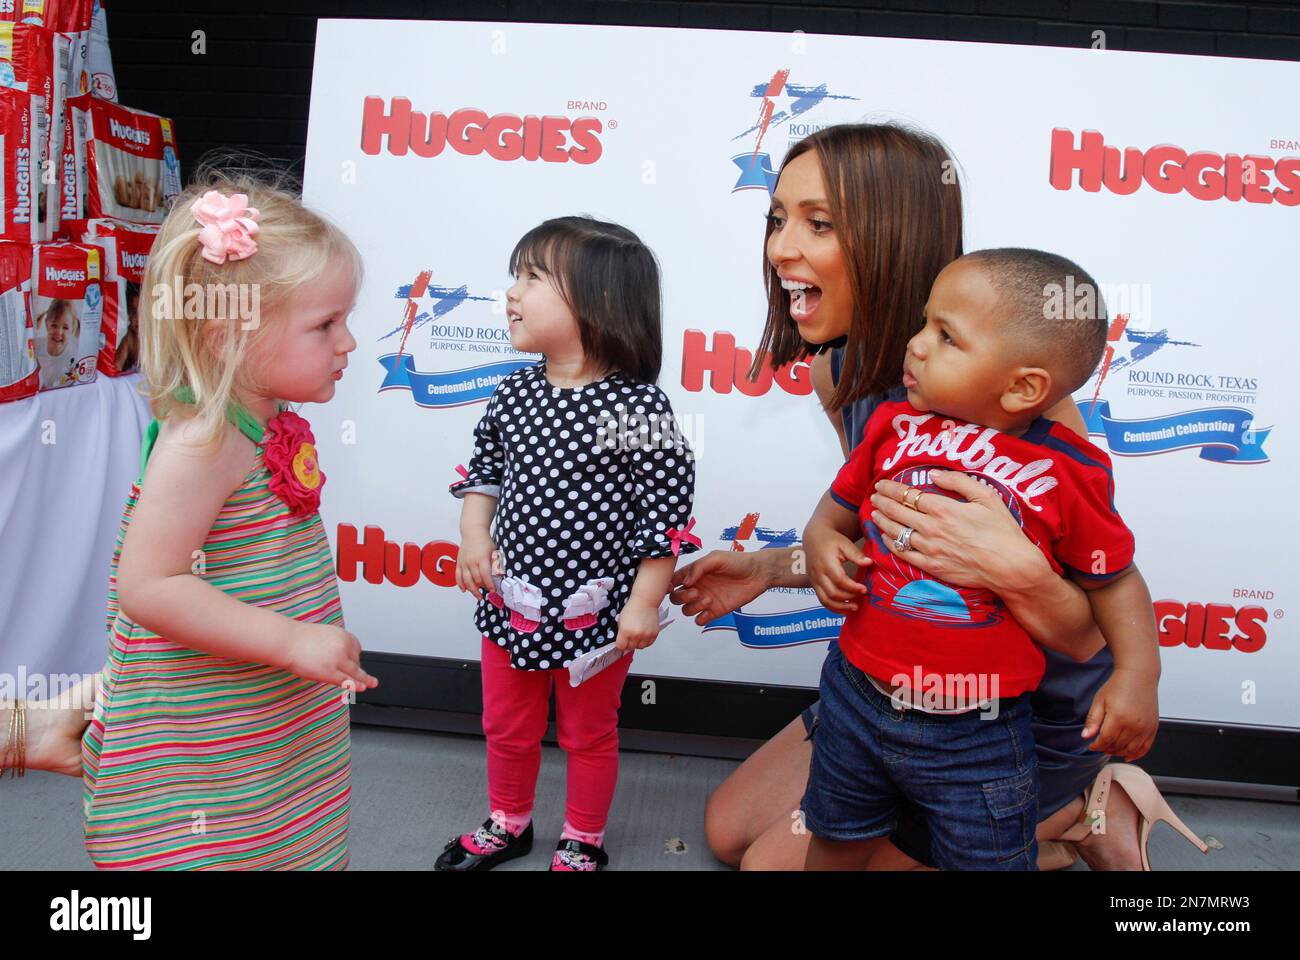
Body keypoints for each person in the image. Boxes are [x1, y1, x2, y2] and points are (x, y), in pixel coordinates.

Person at [672, 122, 1193, 871]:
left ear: (895, 239)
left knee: (767, 864)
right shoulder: (839, 376)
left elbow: (1086, 636)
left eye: (818, 224)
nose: (781, 248)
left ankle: (1079, 806)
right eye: (777, 218)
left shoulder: (1023, 407)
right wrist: (769, 568)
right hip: (889, 694)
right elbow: (891, 540)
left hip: (1019, 719)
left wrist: (1016, 571)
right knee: (728, 829)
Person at [801, 248, 1161, 869]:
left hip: (978, 730)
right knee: (834, 834)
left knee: (986, 858)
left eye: (945, 337)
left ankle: (1082, 809)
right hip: (855, 696)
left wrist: (1137, 676)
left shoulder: (1067, 469)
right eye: (923, 324)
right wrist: (819, 545)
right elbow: (834, 512)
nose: (915, 346)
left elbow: (1116, 580)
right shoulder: (891, 427)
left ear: (1023, 386)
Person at [79, 165, 378, 870]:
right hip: (203, 719)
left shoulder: (259, 420)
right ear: (228, 337)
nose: (349, 344)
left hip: (256, 703)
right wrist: (290, 641)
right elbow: (148, 586)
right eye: (325, 325)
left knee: (277, 829)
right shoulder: (204, 443)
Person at [438, 216, 698, 872]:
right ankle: (509, 821)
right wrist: (474, 536)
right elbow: (485, 471)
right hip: (510, 603)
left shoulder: (633, 409)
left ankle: (582, 835)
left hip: (597, 618)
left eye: (531, 277)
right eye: (514, 276)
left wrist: (643, 603)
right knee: (506, 725)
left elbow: (664, 517)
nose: (511, 293)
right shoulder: (515, 393)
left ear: (596, 300)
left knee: (587, 733)